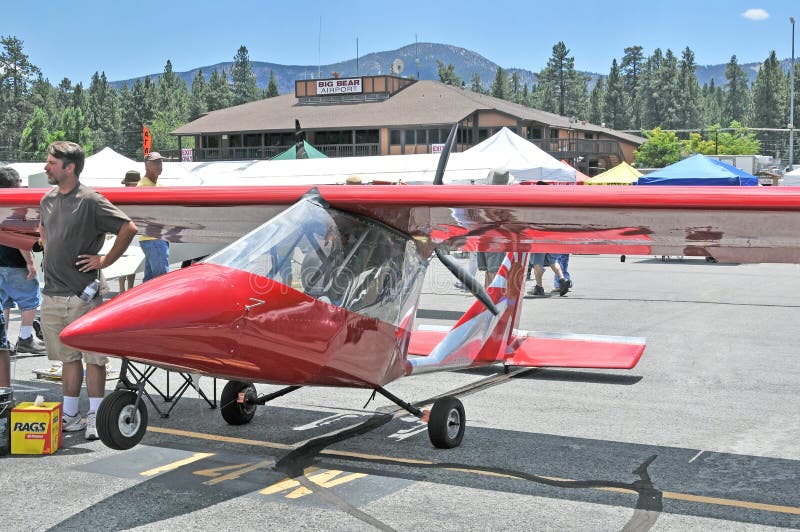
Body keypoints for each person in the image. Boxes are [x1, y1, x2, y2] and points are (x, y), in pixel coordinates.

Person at [39, 141, 138, 440]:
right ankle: (70, 416)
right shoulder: (47, 199)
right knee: (68, 358)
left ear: (69, 167)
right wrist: (48, 246)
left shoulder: (91, 200)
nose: (46, 167)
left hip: (84, 294)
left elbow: (128, 228)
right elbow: (43, 230)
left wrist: (105, 260)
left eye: (51, 163)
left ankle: (95, 415)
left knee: (94, 359)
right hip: (52, 293)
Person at [0, 167, 47, 355]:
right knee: (29, 300)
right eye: (19, 181)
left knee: (3, 302)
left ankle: (3, 342)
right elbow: (19, 237)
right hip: (15, 262)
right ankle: (26, 338)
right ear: (14, 183)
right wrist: (30, 262)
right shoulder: (15, 206)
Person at [138, 152, 169, 281]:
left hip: (156, 238)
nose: (159, 165)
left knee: (150, 281)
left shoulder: (159, 186)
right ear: (146, 166)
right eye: (155, 162)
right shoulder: (142, 187)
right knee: (161, 281)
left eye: (160, 162)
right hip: (153, 238)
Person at [117, 170, 140, 293]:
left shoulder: (138, 195)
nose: (126, 186)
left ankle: (128, 289)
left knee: (132, 263)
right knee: (122, 261)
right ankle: (122, 289)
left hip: (133, 232)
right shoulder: (123, 196)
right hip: (123, 231)